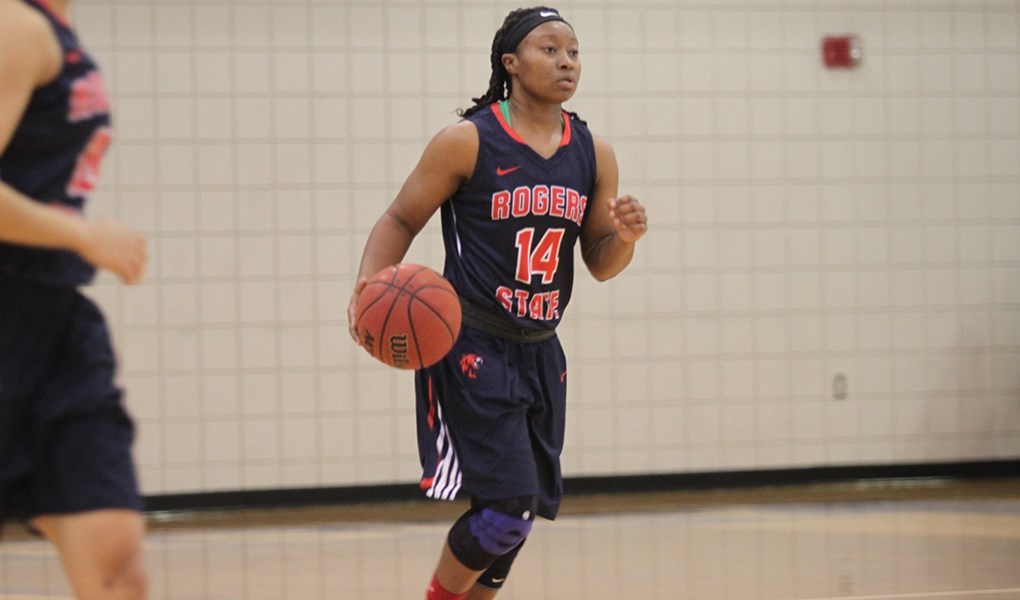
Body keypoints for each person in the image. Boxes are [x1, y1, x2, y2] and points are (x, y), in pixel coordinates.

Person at [347, 6, 647, 599]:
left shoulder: (593, 152)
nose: (566, 61)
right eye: (549, 49)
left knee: (517, 517)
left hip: (541, 350)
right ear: (510, 62)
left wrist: (627, 239)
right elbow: (402, 217)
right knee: (508, 508)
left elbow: (600, 263)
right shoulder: (468, 141)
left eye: (574, 51)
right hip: (472, 342)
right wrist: (366, 290)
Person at [0, 0, 149, 597]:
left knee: (117, 568)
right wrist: (83, 235)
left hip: (55, 320)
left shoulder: (56, 30)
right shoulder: (17, 25)